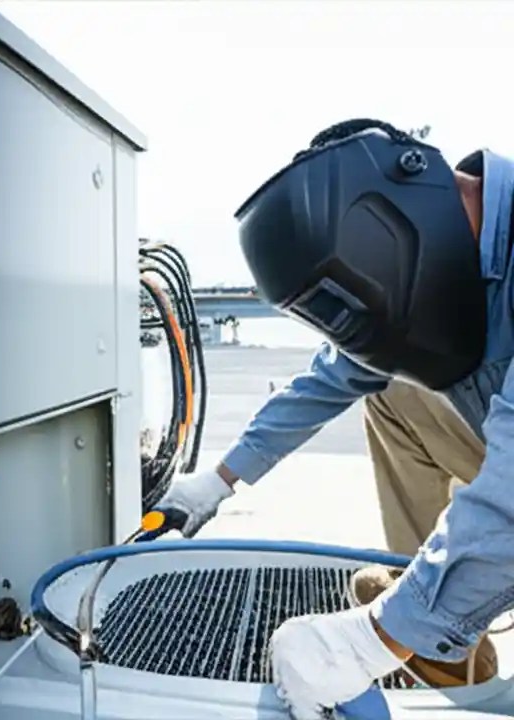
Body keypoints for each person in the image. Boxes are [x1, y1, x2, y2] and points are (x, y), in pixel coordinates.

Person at [153, 118, 514, 719]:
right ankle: (443, 643)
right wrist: (217, 480)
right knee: (396, 395)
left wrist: (366, 642)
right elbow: (331, 378)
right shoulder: (450, 263)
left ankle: (408, 625)